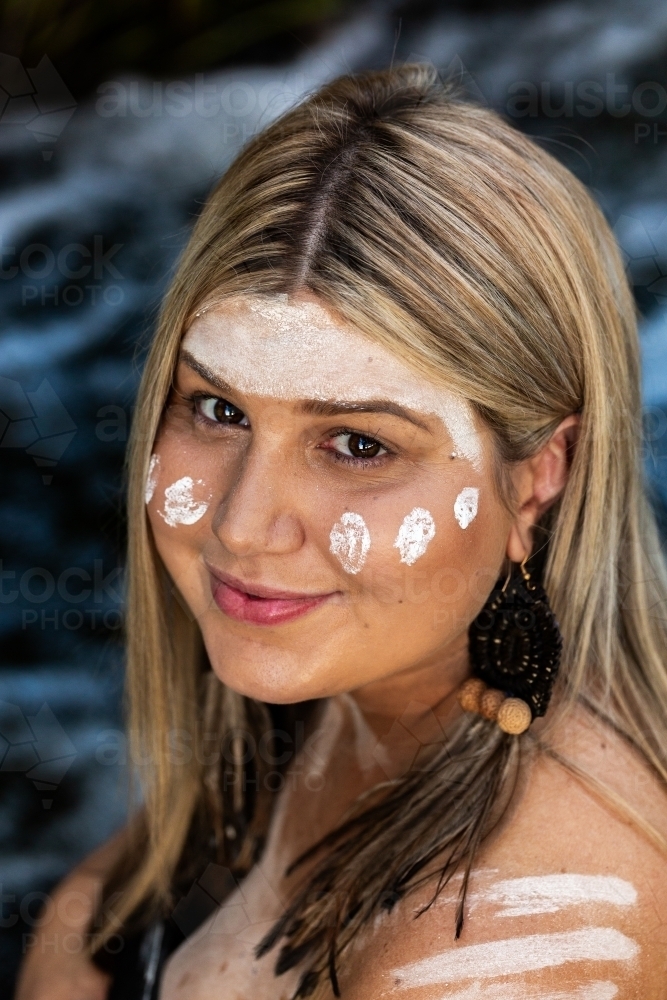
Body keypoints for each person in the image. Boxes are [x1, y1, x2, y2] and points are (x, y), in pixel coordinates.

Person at [17, 64, 667, 1000]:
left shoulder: (503, 946)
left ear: (537, 477)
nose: (244, 527)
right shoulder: (342, 710)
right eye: (217, 410)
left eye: (357, 443)